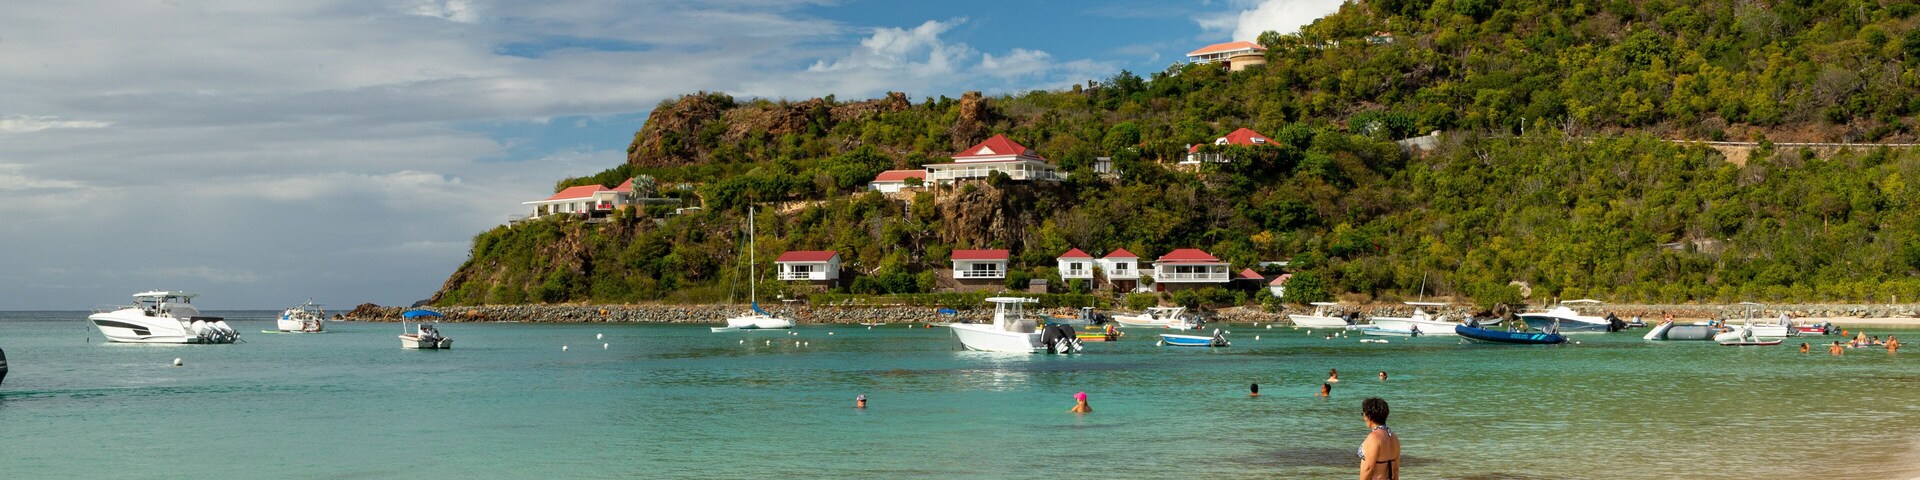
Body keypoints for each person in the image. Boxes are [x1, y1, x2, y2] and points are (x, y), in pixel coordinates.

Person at [1358, 397, 1401, 480]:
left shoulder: (1374, 437)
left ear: (1369, 416)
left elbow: (1368, 468)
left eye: (1363, 414)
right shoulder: (1394, 437)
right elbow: (1396, 470)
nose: (1363, 417)